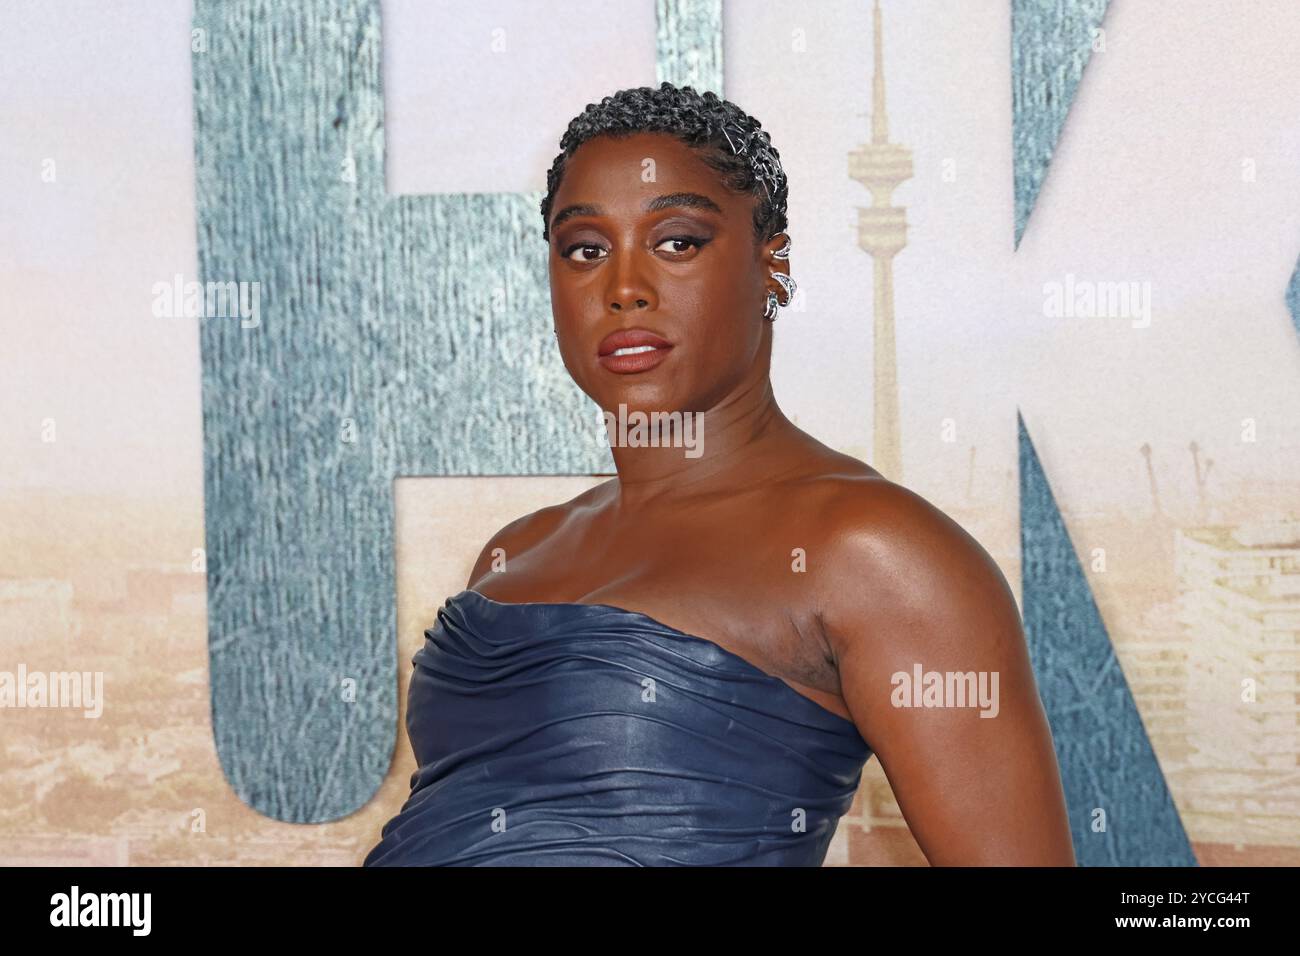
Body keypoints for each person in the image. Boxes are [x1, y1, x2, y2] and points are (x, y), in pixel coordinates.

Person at [364, 82, 1074, 866]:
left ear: (772, 263)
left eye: (677, 241)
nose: (624, 288)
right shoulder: (517, 551)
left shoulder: (875, 553)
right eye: (585, 250)